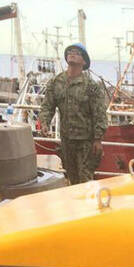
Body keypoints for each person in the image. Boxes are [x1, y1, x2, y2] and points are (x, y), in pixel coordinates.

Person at [38, 44, 109, 185]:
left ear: (84, 62)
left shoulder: (91, 86)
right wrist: (44, 122)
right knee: (71, 178)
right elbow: (48, 106)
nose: (72, 53)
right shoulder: (56, 82)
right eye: (70, 52)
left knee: (85, 179)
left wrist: (98, 139)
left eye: (77, 53)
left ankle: (87, 206)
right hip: (66, 141)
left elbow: (99, 113)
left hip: (86, 142)